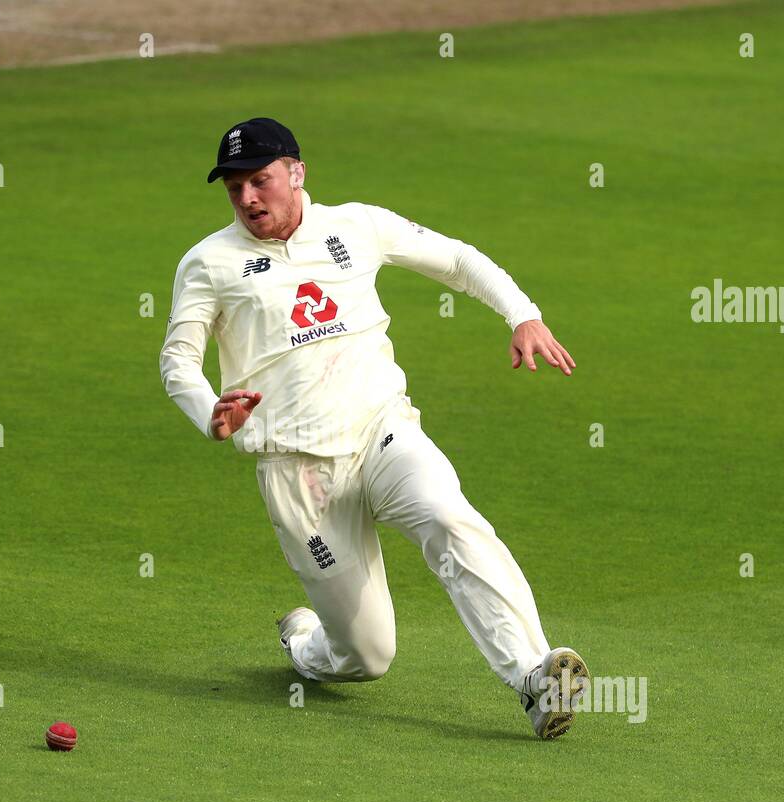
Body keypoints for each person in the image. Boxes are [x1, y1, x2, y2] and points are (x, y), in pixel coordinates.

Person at [159, 117, 589, 738]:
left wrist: (522, 315)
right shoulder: (208, 263)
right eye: (234, 188)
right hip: (296, 470)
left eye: (261, 180)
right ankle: (307, 639)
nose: (248, 198)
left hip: (382, 432)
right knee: (366, 656)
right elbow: (177, 360)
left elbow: (458, 260)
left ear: (297, 173)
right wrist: (210, 412)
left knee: (449, 516)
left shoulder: (357, 226)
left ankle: (533, 678)